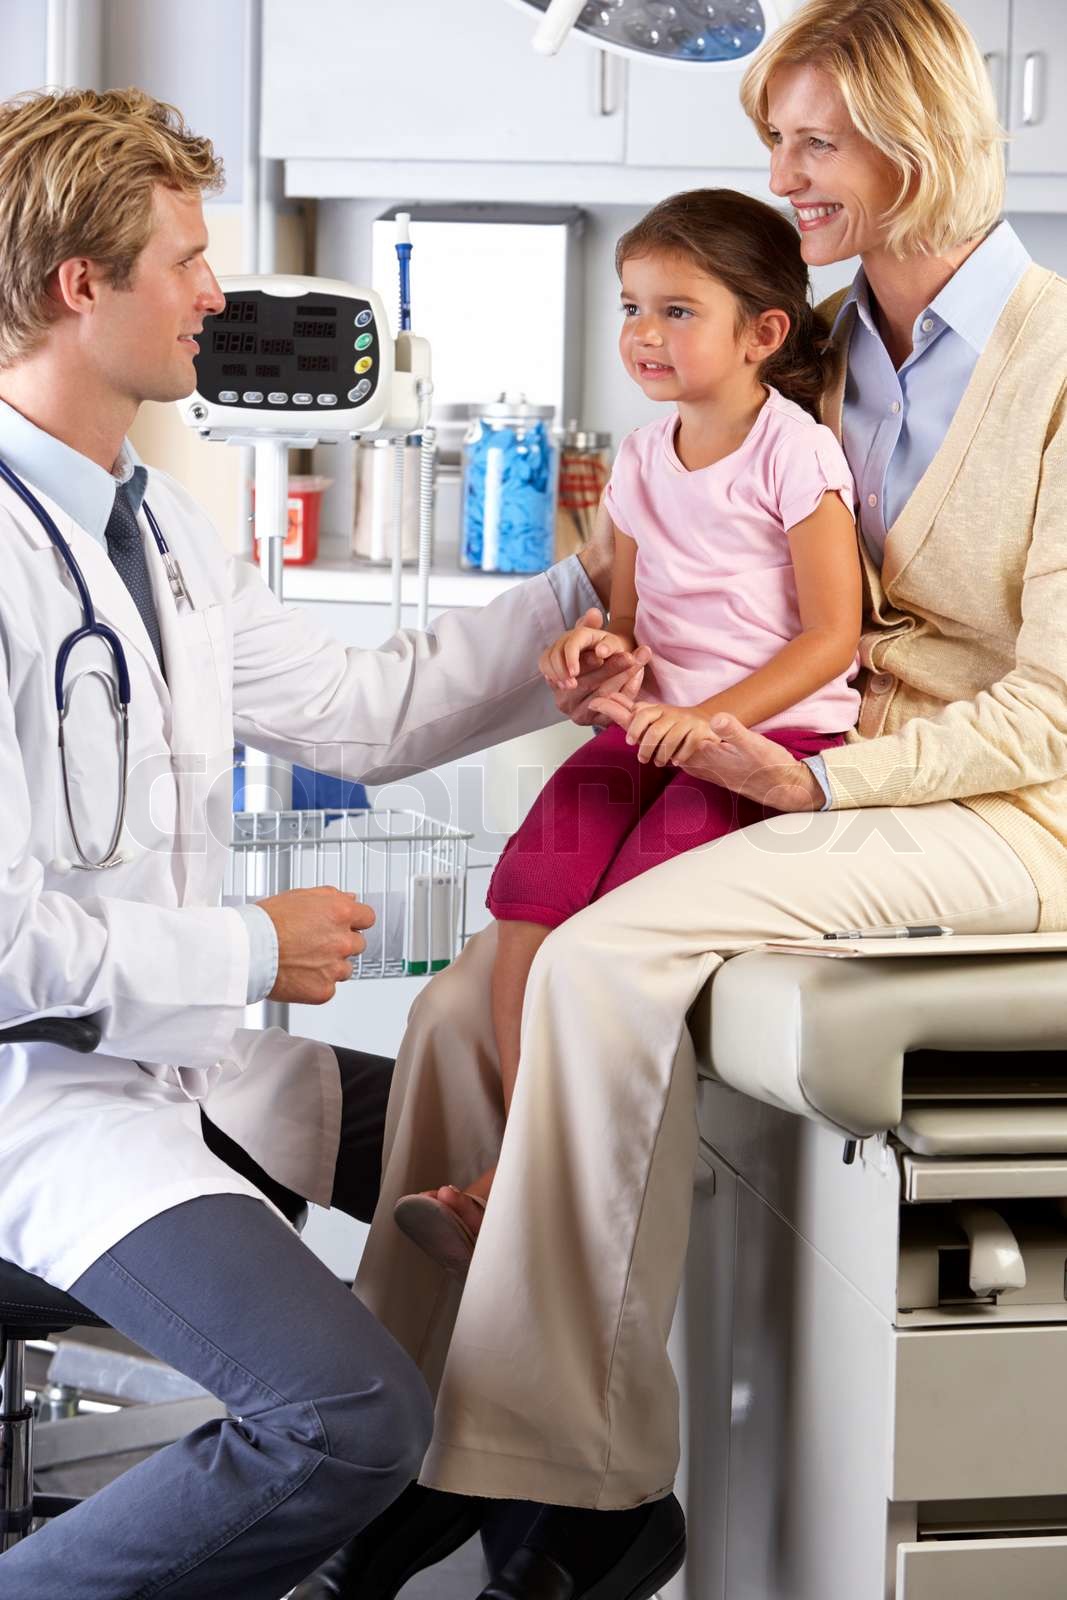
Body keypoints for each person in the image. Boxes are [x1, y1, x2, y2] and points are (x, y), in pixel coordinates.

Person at [316, 1, 1064, 1596]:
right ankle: (410, 1440)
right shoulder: (806, 337)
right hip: (808, 769)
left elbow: (1047, 707)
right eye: (770, 140)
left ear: (915, 135)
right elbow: (671, 557)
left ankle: (574, 1494)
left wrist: (811, 773)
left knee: (595, 964)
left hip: (985, 803)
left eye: (813, 140)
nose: (781, 174)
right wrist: (594, 637)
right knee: (458, 1015)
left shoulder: (1053, 367)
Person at [0, 87, 636, 1600]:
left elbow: (360, 710)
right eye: (184, 260)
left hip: (177, 1058)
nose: (216, 294)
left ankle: (557, 1533)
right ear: (81, 289)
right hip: (43, 1103)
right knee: (341, 1422)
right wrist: (252, 947)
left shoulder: (152, 527)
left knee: (530, 1164)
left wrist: (577, 588)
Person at [391, 188, 861, 1278]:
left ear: (762, 333)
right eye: (631, 307)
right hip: (658, 731)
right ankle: (512, 1161)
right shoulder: (644, 462)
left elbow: (831, 636)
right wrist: (594, 655)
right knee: (526, 892)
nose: (644, 333)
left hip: (766, 743)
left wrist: (709, 722)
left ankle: (539, 1187)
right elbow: (634, 627)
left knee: (612, 927)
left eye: (676, 310)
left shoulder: (794, 456)